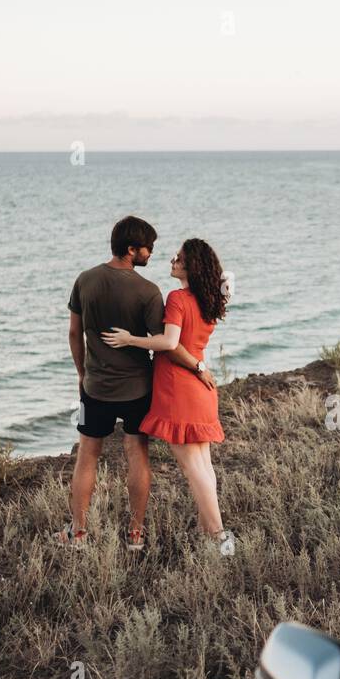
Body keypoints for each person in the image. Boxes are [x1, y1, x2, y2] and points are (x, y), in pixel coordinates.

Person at [62, 217, 214, 550]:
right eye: (149, 248)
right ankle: (135, 533)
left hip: (95, 389)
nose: (153, 253)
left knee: (87, 455)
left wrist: (82, 374)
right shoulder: (148, 291)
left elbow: (74, 334)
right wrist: (198, 366)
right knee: (137, 454)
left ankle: (78, 534)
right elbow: (166, 343)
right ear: (132, 250)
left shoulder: (85, 280)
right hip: (138, 390)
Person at [101, 237, 232, 555]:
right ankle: (209, 532)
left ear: (192, 266)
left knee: (194, 469)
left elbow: (170, 342)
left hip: (179, 389)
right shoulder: (209, 300)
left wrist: (130, 339)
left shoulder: (177, 297)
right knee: (204, 467)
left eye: (179, 257)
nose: (172, 260)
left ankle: (220, 538)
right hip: (200, 388)